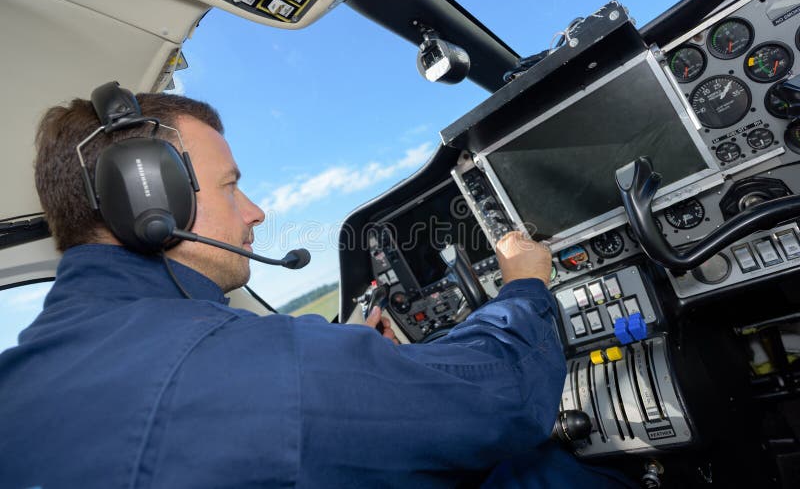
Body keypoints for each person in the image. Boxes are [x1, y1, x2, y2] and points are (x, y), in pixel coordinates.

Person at [0, 92, 631, 487]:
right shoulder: (249, 368)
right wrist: (524, 286)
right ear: (148, 201)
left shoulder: (22, 375)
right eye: (230, 186)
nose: (255, 212)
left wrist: (345, 363)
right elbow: (504, 398)